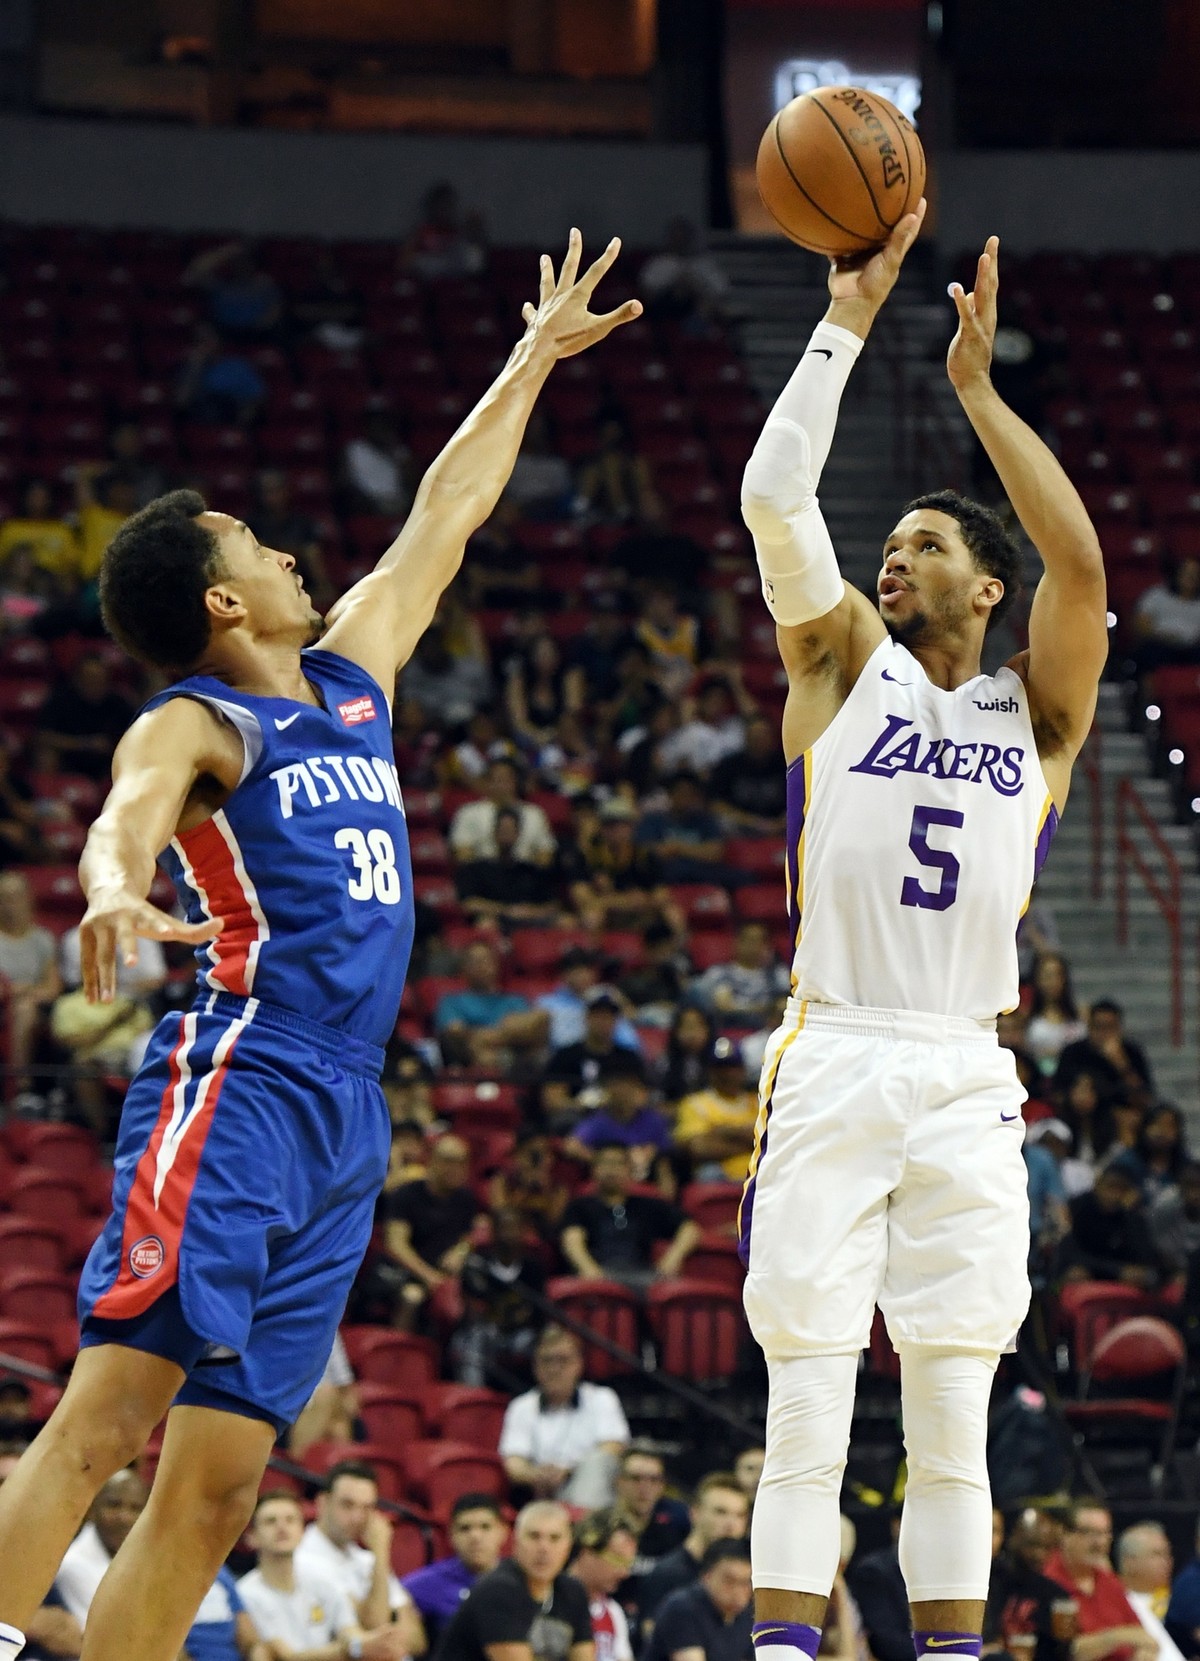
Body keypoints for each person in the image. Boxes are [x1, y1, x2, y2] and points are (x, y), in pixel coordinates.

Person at [0, 231, 640, 1661]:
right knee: (112, 1406)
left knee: (220, 1485)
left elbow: (444, 515)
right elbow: (130, 809)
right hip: (242, 1072)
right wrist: (109, 882)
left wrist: (530, 357)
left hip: (348, 1106)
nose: (289, 550)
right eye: (254, 543)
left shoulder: (348, 679)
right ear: (222, 602)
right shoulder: (198, 718)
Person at [734, 211, 1111, 1661]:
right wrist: (848, 319)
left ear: (983, 587)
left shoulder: (1044, 710)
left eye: (925, 543)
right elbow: (778, 499)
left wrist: (979, 394)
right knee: (809, 1400)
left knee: (954, 1412)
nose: (893, 559)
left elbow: (1080, 569)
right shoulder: (839, 667)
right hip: (834, 1048)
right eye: (887, 544)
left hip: (967, 1070)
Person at [239, 1489, 387, 1660]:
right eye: (270, 1521)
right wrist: (354, 1649)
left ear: (302, 1531)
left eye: (290, 1520)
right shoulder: (246, 1594)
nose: (282, 1527)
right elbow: (285, 1657)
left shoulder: (321, 1576)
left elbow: (349, 1630)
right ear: (252, 1537)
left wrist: (375, 1642)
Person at [436, 1500, 593, 1661]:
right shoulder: (498, 1589)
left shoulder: (573, 1591)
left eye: (554, 1538)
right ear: (516, 1541)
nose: (544, 1548)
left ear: (568, 1545)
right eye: (534, 1536)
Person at [498, 1325, 629, 1508]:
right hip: (541, 1492)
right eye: (547, 1360)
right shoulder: (522, 1406)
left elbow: (613, 1447)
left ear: (578, 1364)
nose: (554, 1368)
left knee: (598, 1462)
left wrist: (568, 1470)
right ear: (535, 1366)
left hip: (592, 1490)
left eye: (563, 1360)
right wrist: (537, 1475)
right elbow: (513, 1462)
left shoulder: (602, 1398)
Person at [295, 1461, 423, 1643]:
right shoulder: (304, 1559)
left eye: (367, 1508)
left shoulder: (367, 1559)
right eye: (347, 1505)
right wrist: (380, 1550)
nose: (358, 1518)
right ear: (322, 1503)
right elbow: (373, 1625)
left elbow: (417, 1639)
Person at [559, 1143, 699, 1290]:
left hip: (642, 1275)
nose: (611, 1169)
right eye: (605, 1163)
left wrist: (673, 1257)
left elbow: (689, 1229)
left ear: (629, 1170)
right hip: (599, 1275)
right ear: (594, 1169)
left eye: (618, 1163)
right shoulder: (580, 1206)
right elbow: (572, 1240)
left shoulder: (648, 1205)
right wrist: (589, 1269)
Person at [381, 1135, 485, 1326]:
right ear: (432, 1160)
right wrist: (430, 1277)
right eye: (448, 1161)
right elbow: (396, 1245)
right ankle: (402, 1350)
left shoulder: (466, 1199)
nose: (455, 1169)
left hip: (446, 1274)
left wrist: (460, 1251)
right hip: (406, 1272)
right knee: (411, 1297)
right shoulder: (406, 1195)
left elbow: (469, 1235)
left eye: (462, 1163)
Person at [637, 1474, 750, 1632]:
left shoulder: (747, 1577)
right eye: (721, 1512)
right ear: (695, 1513)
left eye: (739, 1515)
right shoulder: (667, 1574)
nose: (731, 1524)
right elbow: (651, 1637)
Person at [1044, 1503, 1156, 1661]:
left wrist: (1144, 1652)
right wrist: (1116, 1636)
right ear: (1064, 1533)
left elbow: (1142, 1635)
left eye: (1105, 1533)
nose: (1099, 1543)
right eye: (1090, 1533)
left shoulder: (1107, 1580)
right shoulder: (1047, 1582)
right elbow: (1066, 1651)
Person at [450, 1208, 548, 1387]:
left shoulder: (534, 1268)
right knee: (471, 1341)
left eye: (515, 1228)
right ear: (494, 1231)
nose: (509, 1234)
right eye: (504, 1227)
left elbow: (537, 1313)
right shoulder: (477, 1265)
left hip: (521, 1334)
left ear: (523, 1232)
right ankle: (474, 1399)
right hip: (485, 1331)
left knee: (544, 1344)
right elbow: (473, 1310)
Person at [401, 1494, 509, 1647]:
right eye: (465, 1529)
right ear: (451, 1535)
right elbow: (395, 1597)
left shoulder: (521, 1578)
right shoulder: (428, 1582)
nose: (475, 1536)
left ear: (503, 1531)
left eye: (485, 1527)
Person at [433, 941, 549, 1070]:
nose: (482, 966)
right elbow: (455, 1032)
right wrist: (508, 1032)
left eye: (486, 960)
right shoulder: (452, 1002)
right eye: (475, 961)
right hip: (475, 1058)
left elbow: (534, 1027)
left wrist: (488, 1037)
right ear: (464, 968)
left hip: (517, 1056)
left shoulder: (514, 1000)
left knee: (543, 1018)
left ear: (496, 964)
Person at [53, 1471, 149, 1622]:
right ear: (91, 1509)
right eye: (114, 1505)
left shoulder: (149, 1555)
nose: (124, 1517)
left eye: (136, 1508)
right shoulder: (73, 1565)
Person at [1058, 1160, 1169, 1290]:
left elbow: (1146, 1258)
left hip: (1122, 1280)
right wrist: (1116, 1270)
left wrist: (1129, 1214)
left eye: (1122, 1190)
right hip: (1089, 1272)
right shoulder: (1078, 1208)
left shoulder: (1133, 1217)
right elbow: (1070, 1254)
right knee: (1076, 1274)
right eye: (1111, 1187)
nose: (1114, 1195)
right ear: (1098, 1184)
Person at [562, 1054, 673, 1182]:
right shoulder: (599, 1121)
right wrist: (608, 1162)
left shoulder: (653, 1120)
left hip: (645, 1182)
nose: (622, 1091)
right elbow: (571, 1146)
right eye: (616, 1085)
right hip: (607, 1183)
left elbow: (664, 1156)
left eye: (628, 1085)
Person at [984, 1508, 1076, 1661]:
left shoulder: (1056, 1595)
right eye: (1032, 1545)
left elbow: (1064, 1651)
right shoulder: (992, 1580)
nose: (1038, 1554)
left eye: (1046, 1547)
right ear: (1013, 1539)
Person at [0, 871, 62, 1092]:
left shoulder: (43, 939)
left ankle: (19, 1083)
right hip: (3, 1005)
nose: (10, 904)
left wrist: (24, 992)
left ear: (28, 898)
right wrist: (14, 991)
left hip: (34, 1009)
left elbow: (52, 989)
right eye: (4, 897)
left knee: (25, 1010)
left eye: (16, 896)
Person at [642, 1540, 754, 1661]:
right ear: (707, 1576)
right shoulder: (682, 1609)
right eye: (729, 1581)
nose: (737, 1591)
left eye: (745, 1583)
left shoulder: (748, 1615)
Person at [455, 806, 561, 929]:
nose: (506, 834)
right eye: (503, 829)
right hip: (498, 920)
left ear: (518, 833)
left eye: (510, 830)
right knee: (485, 925)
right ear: (494, 832)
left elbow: (552, 904)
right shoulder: (476, 869)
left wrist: (531, 912)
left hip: (532, 922)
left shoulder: (531, 870)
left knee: (565, 922)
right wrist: (506, 910)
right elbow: (468, 903)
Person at [35, 654, 134, 781]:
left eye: (99, 679)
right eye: (89, 678)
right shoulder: (61, 700)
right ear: (77, 679)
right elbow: (43, 736)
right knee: (46, 755)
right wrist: (85, 744)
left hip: (107, 761)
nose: (94, 683)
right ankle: (49, 794)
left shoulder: (118, 703)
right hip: (69, 758)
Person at [674, 1038, 759, 1183]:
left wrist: (724, 1131)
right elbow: (699, 1148)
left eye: (733, 1068)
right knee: (709, 1172)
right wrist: (752, 1142)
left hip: (758, 1174)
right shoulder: (695, 1103)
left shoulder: (757, 1102)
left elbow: (773, 1139)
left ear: (743, 1070)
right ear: (710, 1072)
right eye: (721, 1069)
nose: (728, 1075)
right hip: (721, 1177)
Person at [449, 757, 556, 866]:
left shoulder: (534, 814)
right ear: (487, 782)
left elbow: (545, 854)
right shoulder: (469, 812)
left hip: (525, 876)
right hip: (482, 875)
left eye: (506, 779)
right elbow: (463, 854)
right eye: (496, 779)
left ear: (516, 782)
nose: (501, 784)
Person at [612, 1445, 690, 1586]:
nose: (645, 1487)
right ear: (619, 1482)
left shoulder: (680, 1520)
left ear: (662, 1485)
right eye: (636, 1479)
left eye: (654, 1480)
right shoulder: (603, 1525)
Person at [568, 1510, 639, 1661]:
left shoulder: (613, 1613)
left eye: (628, 1564)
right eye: (618, 1560)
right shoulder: (548, 1601)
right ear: (587, 1551)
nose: (624, 1573)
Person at [693, 923, 791, 1030]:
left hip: (767, 1032)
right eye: (749, 940)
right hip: (727, 1030)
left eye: (759, 941)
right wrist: (761, 1008)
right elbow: (724, 1006)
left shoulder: (779, 975)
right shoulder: (719, 973)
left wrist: (739, 1007)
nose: (754, 946)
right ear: (737, 942)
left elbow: (783, 1006)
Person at [1054, 1002, 1154, 1103]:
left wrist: (1121, 1063)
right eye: (1098, 1026)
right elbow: (1057, 1093)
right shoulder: (1073, 1052)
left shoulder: (1132, 1051)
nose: (1104, 1033)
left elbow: (1146, 1098)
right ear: (1089, 1027)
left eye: (1110, 1027)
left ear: (1119, 1028)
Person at [710, 716, 788, 836]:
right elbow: (716, 804)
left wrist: (783, 820)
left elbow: (802, 797)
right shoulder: (729, 766)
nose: (759, 740)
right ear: (746, 737)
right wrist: (755, 823)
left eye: (764, 735)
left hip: (782, 828)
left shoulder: (787, 764)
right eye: (755, 736)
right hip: (741, 827)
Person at [1116, 1525, 1185, 1661]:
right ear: (1130, 1562)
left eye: (1168, 1554)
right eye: (1157, 1554)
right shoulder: (1116, 1602)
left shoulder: (1179, 1599)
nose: (1167, 1561)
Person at [1025, 952, 1088, 1073]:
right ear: (1037, 979)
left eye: (1057, 975)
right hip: (1039, 1079)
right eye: (1047, 975)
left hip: (1074, 1076)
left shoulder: (1082, 1013)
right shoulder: (1026, 1016)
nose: (1052, 982)